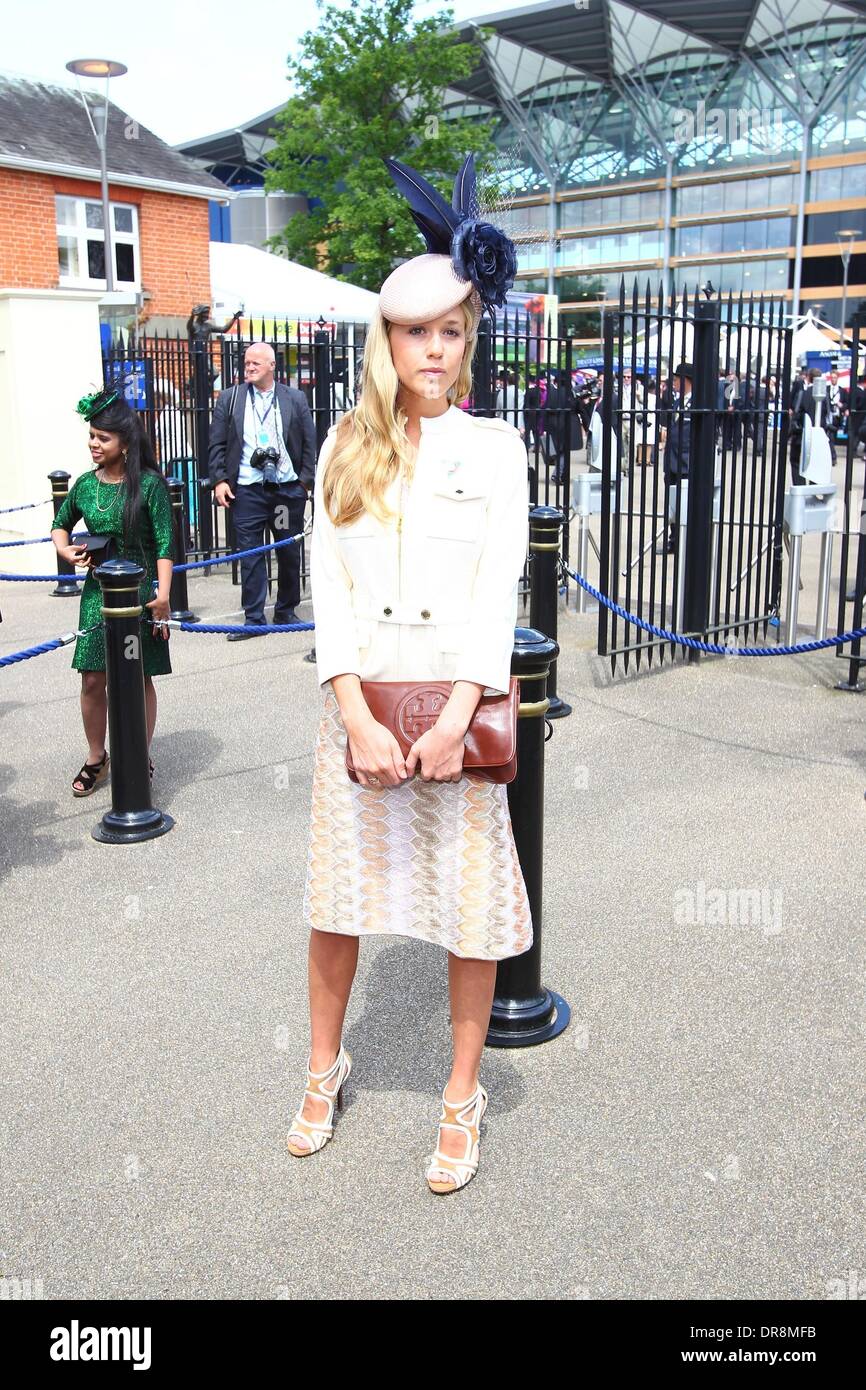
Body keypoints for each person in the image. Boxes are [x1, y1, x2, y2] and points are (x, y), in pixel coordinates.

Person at [290, 151, 530, 1196]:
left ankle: (459, 1094)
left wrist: (454, 715)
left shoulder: (497, 445)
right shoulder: (346, 441)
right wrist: (353, 712)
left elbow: (498, 589)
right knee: (336, 908)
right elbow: (325, 581)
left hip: (451, 715)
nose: (433, 350)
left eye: (450, 332)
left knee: (465, 913)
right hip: (361, 712)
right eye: (414, 332)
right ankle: (320, 1067)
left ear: (465, 339)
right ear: (383, 340)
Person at [50, 387, 174, 795]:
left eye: (103, 437)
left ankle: (138, 752)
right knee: (91, 679)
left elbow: (164, 544)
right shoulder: (84, 485)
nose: (94, 444)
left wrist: (164, 597)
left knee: (141, 677)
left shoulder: (151, 484)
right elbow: (60, 524)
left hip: (140, 595)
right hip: (96, 596)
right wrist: (66, 551)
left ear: (125, 442)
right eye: (92, 436)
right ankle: (96, 756)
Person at [208, 343, 317, 638]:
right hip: (247, 491)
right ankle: (254, 619)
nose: (250, 368)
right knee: (251, 554)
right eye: (246, 363)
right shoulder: (230, 399)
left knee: (287, 550)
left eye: (256, 363)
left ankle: (285, 610)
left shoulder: (294, 398)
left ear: (272, 365)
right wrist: (219, 480)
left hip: (285, 490)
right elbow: (216, 444)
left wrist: (304, 482)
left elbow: (309, 442)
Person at [657, 362, 693, 554]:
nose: (674, 382)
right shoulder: (677, 402)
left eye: (677, 379)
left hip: (686, 463)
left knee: (686, 505)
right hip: (671, 462)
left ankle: (686, 542)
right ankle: (674, 540)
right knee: (672, 504)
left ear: (687, 380)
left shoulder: (696, 404)